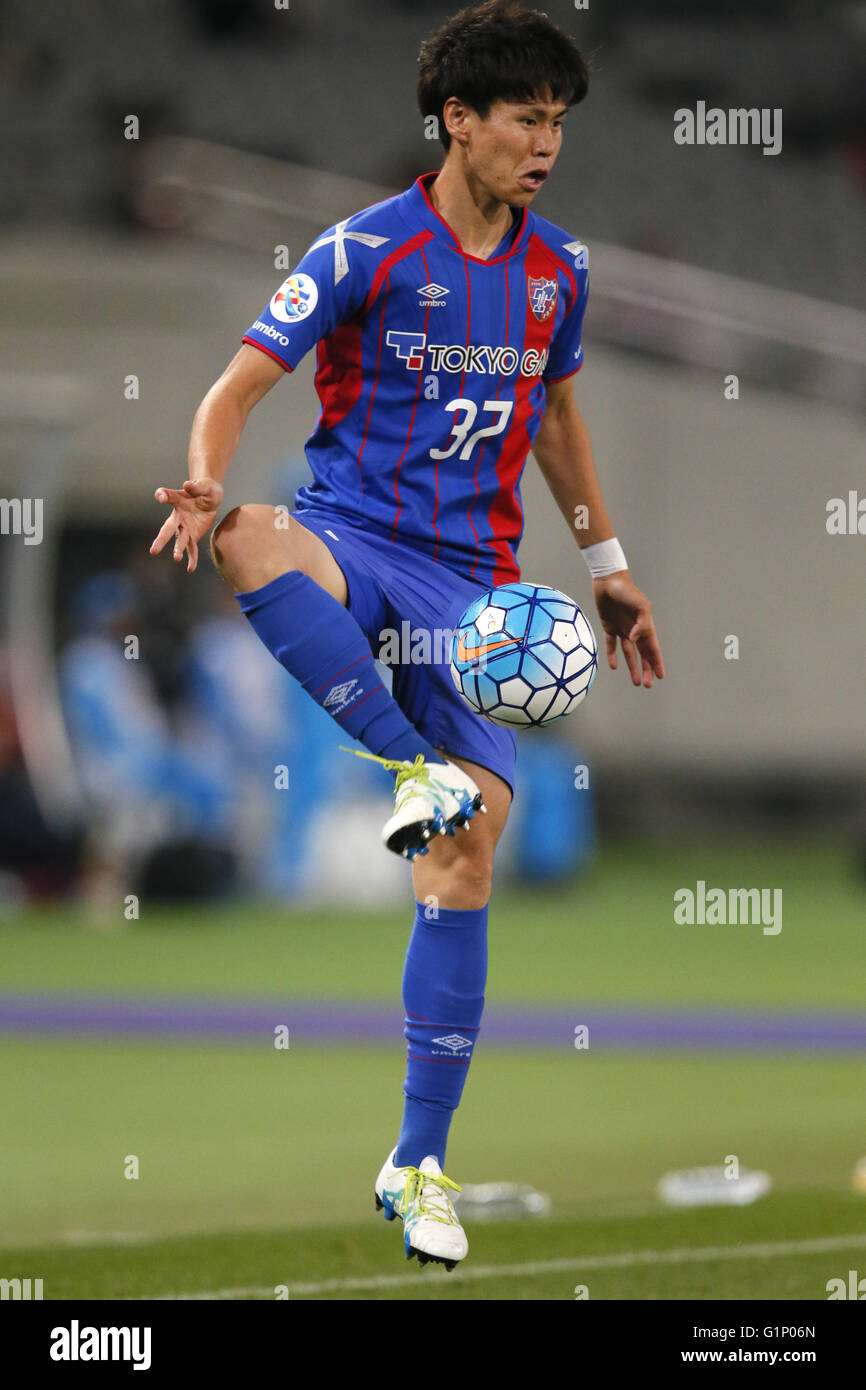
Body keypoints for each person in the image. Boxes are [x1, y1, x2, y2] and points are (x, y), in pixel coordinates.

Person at [150, 0, 664, 1271]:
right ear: (458, 121)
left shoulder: (560, 273)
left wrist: (606, 568)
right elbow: (235, 388)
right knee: (250, 542)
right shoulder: (363, 249)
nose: (546, 146)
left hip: (467, 592)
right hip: (350, 537)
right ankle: (405, 760)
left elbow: (550, 424)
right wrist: (208, 475)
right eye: (525, 121)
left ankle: (416, 1162)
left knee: (466, 852)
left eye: (557, 123)